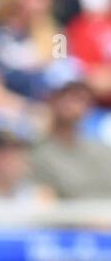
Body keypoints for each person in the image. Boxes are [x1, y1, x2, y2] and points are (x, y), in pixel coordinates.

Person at [28, 60, 111, 200]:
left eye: (80, 97)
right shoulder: (33, 151)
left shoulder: (102, 150)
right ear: (50, 99)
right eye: (65, 96)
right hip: (66, 220)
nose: (73, 104)